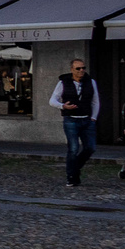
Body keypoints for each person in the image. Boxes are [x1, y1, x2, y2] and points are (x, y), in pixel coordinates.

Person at [49, 58, 100, 186]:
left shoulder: (91, 82)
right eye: (78, 68)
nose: (81, 70)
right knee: (73, 148)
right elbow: (52, 100)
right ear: (72, 70)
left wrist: (93, 118)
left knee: (90, 147)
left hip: (87, 119)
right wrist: (63, 106)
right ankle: (71, 176)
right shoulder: (63, 82)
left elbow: (95, 101)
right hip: (71, 120)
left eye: (83, 68)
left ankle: (74, 168)